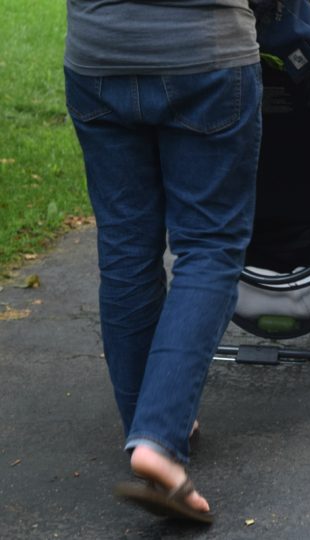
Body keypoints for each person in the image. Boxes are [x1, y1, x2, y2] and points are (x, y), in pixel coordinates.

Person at [63, 0, 262, 523]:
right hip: (204, 52)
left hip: (98, 52)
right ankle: (158, 435)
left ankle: (148, 427)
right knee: (210, 247)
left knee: (126, 250)